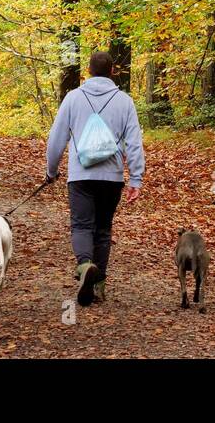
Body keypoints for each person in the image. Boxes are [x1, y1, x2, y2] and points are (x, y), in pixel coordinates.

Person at [45, 50, 145, 306]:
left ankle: (84, 265)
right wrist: (136, 178)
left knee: (81, 225)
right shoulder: (125, 101)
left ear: (87, 71)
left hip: (80, 176)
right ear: (113, 72)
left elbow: (57, 137)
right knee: (102, 230)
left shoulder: (73, 98)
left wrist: (51, 170)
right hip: (111, 177)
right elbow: (133, 142)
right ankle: (98, 286)